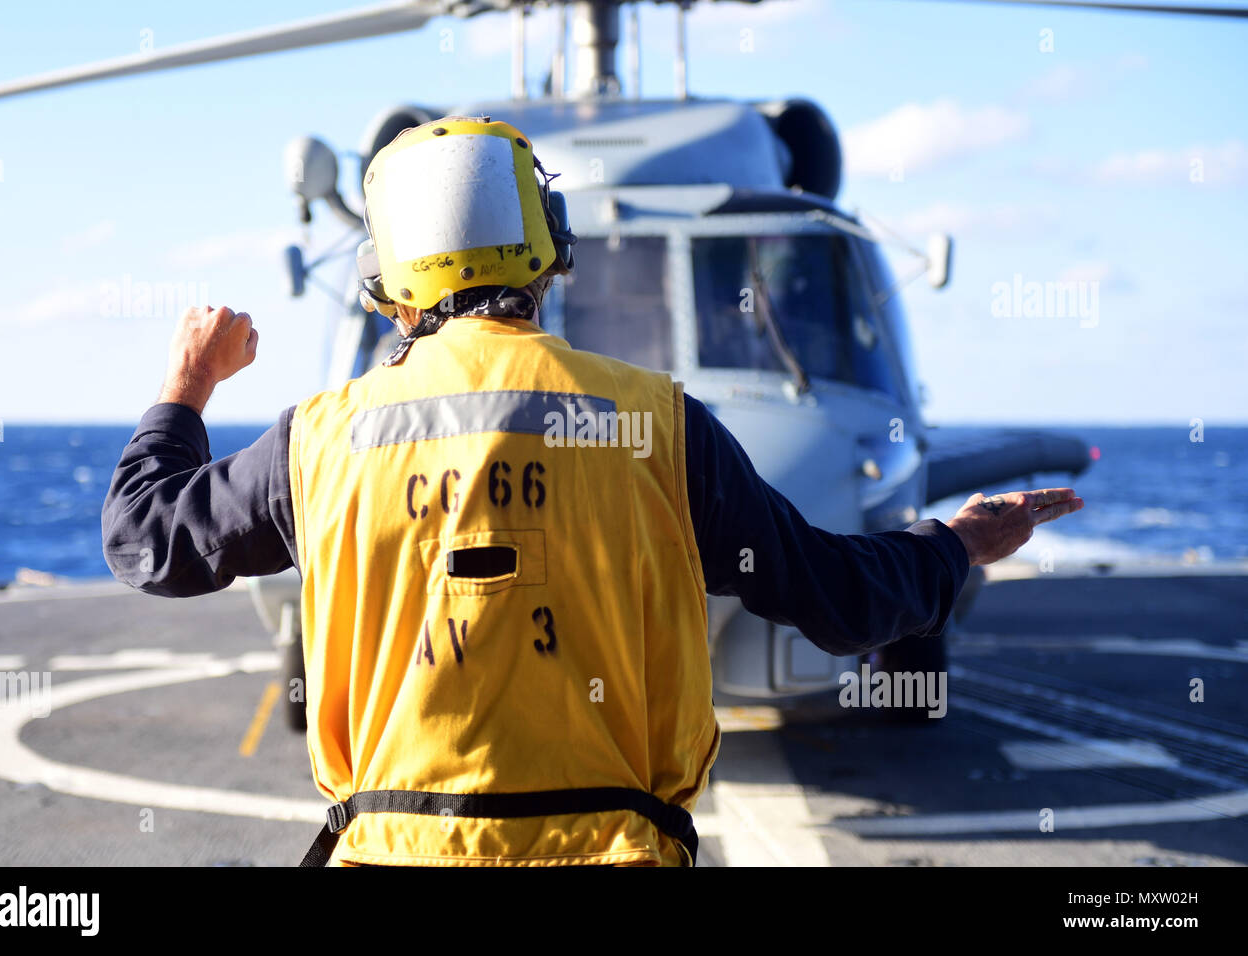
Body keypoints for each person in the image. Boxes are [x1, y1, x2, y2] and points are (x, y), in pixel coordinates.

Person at [102, 115, 1084, 867]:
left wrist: (188, 379)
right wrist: (956, 543)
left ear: (388, 287)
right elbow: (834, 596)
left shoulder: (319, 439)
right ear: (549, 252)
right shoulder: (658, 422)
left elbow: (144, 540)